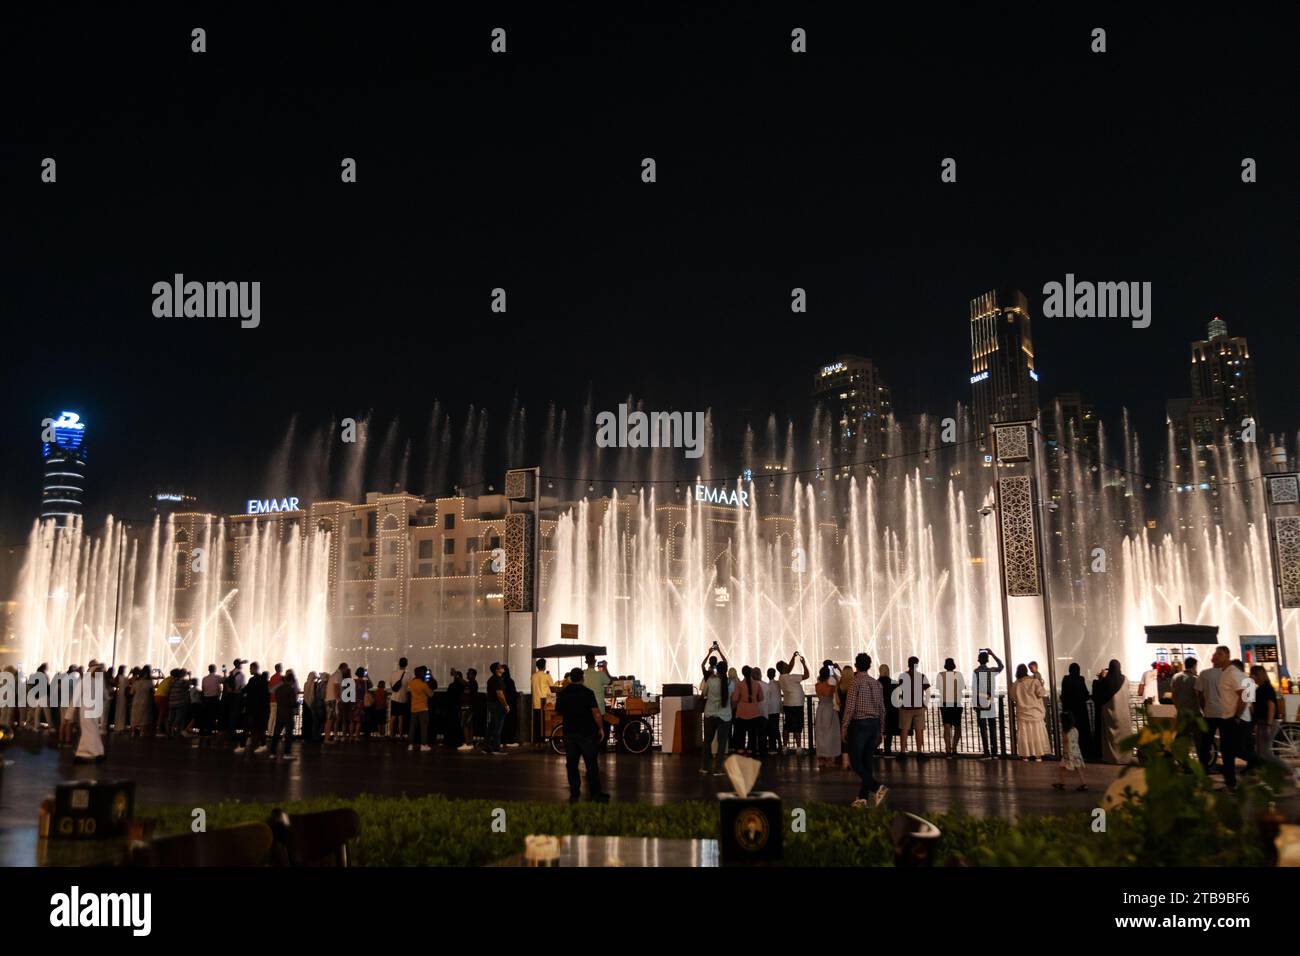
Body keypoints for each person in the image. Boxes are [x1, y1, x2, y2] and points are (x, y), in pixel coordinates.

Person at [555, 668, 609, 803]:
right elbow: (596, 712)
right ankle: (595, 793)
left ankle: (574, 791)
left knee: (572, 763)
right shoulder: (588, 693)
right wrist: (601, 728)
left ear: (571, 678)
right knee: (591, 764)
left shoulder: (563, 693)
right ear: (582, 678)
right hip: (587, 733)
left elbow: (558, 711)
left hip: (570, 733)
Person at [840, 653, 887, 808]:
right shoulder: (876, 683)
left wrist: (844, 726)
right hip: (873, 725)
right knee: (867, 763)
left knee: (855, 762)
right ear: (869, 665)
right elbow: (881, 708)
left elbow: (850, 707)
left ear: (856, 665)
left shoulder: (855, 683)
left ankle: (877, 787)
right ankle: (862, 798)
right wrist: (881, 729)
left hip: (860, 725)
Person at [1196, 647, 1244, 788]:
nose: (1215, 656)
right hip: (1225, 715)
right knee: (1227, 749)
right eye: (1215, 654)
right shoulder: (1225, 673)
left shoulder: (1211, 674)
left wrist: (1238, 715)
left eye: (1219, 654)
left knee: (1208, 744)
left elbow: (1199, 694)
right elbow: (1248, 692)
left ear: (1227, 656)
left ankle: (1208, 771)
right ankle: (1230, 781)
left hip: (1217, 714)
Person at [1247, 665, 1289, 777]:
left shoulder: (1266, 688)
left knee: (1265, 752)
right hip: (1262, 722)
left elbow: (1271, 706)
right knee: (1261, 752)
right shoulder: (1260, 688)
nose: (1250, 676)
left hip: (1267, 722)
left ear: (1257, 675)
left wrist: (1269, 724)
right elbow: (1251, 705)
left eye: (1252, 674)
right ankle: (1270, 773)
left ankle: (1288, 769)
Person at [1095, 660, 1132, 765]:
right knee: (1124, 736)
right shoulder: (1125, 679)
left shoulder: (1106, 681)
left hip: (1111, 713)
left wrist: (1101, 678)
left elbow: (1099, 694)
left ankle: (1112, 757)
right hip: (1124, 713)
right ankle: (1126, 758)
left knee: (1111, 738)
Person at [699, 659, 733, 775]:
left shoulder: (710, 681)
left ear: (717, 670)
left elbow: (704, 694)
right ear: (726, 670)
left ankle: (705, 767)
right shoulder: (730, 683)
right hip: (725, 716)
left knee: (707, 741)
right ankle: (718, 768)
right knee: (722, 742)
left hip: (709, 713)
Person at [1012, 664, 1049, 760]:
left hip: (1022, 713)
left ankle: (1025, 756)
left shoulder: (1016, 684)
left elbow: (1012, 697)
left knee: (1025, 735)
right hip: (1035, 713)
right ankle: (1038, 756)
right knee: (1037, 734)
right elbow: (1041, 693)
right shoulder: (1034, 681)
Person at [972, 650, 1004, 759]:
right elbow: (1001, 666)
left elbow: (974, 688)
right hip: (990, 700)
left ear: (978, 660)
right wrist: (993, 654)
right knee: (992, 727)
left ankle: (986, 752)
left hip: (980, 701)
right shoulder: (991, 671)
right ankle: (995, 752)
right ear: (987, 660)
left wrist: (974, 703)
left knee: (983, 728)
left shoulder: (976, 672)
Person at [896, 656, 930, 757]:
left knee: (904, 730)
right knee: (919, 730)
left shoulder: (903, 676)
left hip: (906, 707)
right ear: (917, 665)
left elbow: (898, 690)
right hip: (919, 707)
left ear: (908, 664)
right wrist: (925, 704)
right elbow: (927, 691)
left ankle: (902, 752)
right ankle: (919, 752)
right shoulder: (922, 676)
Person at [1060, 663, 1094, 760]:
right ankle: (1085, 753)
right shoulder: (1080, 679)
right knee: (1082, 733)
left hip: (1069, 712)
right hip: (1081, 711)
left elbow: (1063, 695)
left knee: (1070, 733)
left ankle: (1069, 753)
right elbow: (1085, 694)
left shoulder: (1065, 679)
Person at [777, 650, 810, 753]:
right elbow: (806, 675)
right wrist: (804, 664)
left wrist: (793, 657)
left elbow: (789, 667)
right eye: (786, 665)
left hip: (788, 704)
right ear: (784, 668)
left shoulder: (782, 677)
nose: (788, 665)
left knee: (787, 725)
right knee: (797, 726)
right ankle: (799, 748)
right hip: (796, 705)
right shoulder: (791, 677)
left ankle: (785, 747)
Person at [731, 664, 766, 756]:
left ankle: (741, 749)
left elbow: (734, 698)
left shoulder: (739, 684)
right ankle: (751, 749)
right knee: (752, 733)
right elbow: (761, 698)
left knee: (740, 733)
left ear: (742, 673)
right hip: (754, 712)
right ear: (751, 673)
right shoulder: (757, 684)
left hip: (741, 712)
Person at [937, 658, 965, 757]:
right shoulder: (959, 675)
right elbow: (962, 687)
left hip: (944, 704)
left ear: (945, 665)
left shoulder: (940, 675)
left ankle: (948, 750)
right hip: (956, 703)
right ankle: (954, 748)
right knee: (957, 727)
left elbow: (939, 688)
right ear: (954, 665)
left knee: (946, 727)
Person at [1052, 711, 1087, 791]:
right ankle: (1083, 783)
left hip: (1068, 753)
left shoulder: (1065, 731)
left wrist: (1064, 753)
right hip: (1076, 752)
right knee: (1078, 768)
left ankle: (1062, 783)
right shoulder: (1075, 730)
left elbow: (1065, 743)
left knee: (1062, 767)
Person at [814, 666, 841, 769]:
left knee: (820, 734)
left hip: (820, 709)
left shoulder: (817, 685)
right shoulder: (831, 687)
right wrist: (834, 674)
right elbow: (838, 700)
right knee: (830, 734)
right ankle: (829, 760)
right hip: (829, 710)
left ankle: (821, 760)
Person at [1170, 657, 1200, 749]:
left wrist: (1178, 707)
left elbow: (1173, 695)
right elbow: (1198, 695)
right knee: (1198, 736)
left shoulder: (1175, 677)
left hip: (1181, 711)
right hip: (1193, 712)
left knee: (1181, 734)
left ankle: (1176, 754)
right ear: (1194, 666)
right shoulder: (1195, 679)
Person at [240, 662, 271, 753]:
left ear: (254, 668)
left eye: (250, 668)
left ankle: (243, 745)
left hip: (252, 707)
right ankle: (262, 744)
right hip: (260, 708)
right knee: (259, 727)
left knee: (247, 727)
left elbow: (245, 690)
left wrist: (240, 690)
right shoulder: (263, 680)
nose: (249, 670)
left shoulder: (253, 680)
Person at [269, 669, 298, 759]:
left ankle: (272, 752)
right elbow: (292, 703)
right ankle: (287, 753)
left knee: (276, 734)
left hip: (280, 714)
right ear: (291, 680)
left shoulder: (278, 689)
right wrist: (297, 703)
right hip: (288, 714)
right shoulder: (291, 689)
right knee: (288, 735)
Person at [484, 662, 510, 755]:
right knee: (498, 726)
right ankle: (496, 748)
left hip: (491, 704)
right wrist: (505, 705)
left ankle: (487, 746)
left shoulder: (490, 679)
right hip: (498, 705)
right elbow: (500, 694)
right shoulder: (498, 679)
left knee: (491, 725)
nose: (502, 667)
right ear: (496, 669)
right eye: (500, 667)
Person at [407, 666, 435, 752]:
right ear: (420, 673)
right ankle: (423, 745)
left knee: (412, 727)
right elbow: (431, 694)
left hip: (413, 708)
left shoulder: (411, 683)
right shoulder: (423, 684)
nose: (424, 674)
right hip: (423, 708)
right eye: (424, 672)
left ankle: (410, 745)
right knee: (423, 728)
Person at [531, 658, 555, 748]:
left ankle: (538, 741)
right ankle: (546, 739)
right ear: (544, 666)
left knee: (538, 722)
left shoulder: (533, 676)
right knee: (546, 722)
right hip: (546, 702)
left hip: (536, 702)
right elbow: (552, 688)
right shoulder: (546, 676)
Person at [877, 664, 899, 757]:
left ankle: (875, 749)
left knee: (878, 730)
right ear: (888, 671)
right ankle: (887, 750)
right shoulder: (894, 683)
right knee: (889, 731)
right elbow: (897, 698)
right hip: (891, 710)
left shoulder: (875, 683)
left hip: (878, 710)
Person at [389, 656, 410, 739]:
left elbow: (391, 685)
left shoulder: (393, 673)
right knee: (401, 718)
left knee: (393, 717)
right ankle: (400, 735)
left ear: (399, 664)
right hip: (403, 698)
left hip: (394, 698)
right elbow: (410, 687)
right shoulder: (408, 675)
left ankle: (391, 735)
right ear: (406, 664)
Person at [458, 668, 478, 751]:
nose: (467, 675)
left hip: (468, 707)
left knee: (465, 725)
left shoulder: (472, 683)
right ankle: (470, 741)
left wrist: (457, 676)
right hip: (468, 707)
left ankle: (467, 743)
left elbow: (465, 683)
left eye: (468, 673)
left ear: (473, 675)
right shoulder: (471, 683)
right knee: (469, 725)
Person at [764, 667, 782, 754]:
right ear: (774, 675)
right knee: (776, 728)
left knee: (771, 729)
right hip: (777, 709)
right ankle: (780, 745)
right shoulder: (778, 684)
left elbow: (766, 699)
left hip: (770, 710)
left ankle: (773, 747)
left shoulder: (767, 686)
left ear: (767, 675)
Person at [323, 662, 343, 745]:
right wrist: (338, 698)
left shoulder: (334, 674)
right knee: (330, 719)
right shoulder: (338, 674)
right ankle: (326, 738)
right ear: (343, 668)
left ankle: (332, 736)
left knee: (333, 719)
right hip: (332, 700)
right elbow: (336, 685)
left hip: (330, 699)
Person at [200, 665, 222, 736]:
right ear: (215, 670)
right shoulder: (218, 677)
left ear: (208, 670)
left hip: (206, 699)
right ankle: (213, 730)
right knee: (214, 715)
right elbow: (224, 681)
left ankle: (205, 730)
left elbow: (203, 689)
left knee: (207, 715)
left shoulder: (204, 678)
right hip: (214, 698)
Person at [501, 665, 519, 747]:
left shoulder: (500, 680)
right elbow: (513, 693)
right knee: (511, 722)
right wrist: (518, 694)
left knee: (502, 723)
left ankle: (502, 740)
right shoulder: (510, 681)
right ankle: (510, 740)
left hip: (501, 704)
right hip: (511, 704)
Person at [267, 663, 284, 736]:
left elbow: (270, 689)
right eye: (281, 667)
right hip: (278, 700)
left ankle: (269, 732)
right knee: (277, 717)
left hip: (271, 700)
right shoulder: (281, 678)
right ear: (279, 668)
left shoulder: (272, 677)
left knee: (271, 717)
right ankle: (275, 733)